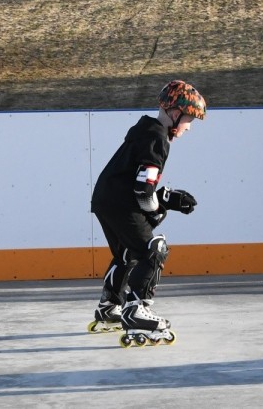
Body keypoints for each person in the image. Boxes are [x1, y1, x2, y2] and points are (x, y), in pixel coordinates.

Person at [88, 80, 205, 346]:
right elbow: (143, 192)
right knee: (154, 249)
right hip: (121, 202)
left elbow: (138, 180)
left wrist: (164, 199)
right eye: (190, 119)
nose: (189, 127)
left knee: (127, 254)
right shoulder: (158, 138)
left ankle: (109, 307)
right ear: (175, 113)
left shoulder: (145, 131)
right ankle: (136, 309)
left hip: (105, 199)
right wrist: (158, 207)